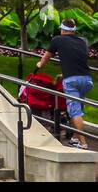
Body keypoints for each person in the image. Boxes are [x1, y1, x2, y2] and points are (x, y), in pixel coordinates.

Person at [37, 18, 93, 150]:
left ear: (62, 29)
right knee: (78, 109)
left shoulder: (57, 39)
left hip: (72, 81)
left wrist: (40, 64)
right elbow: (77, 58)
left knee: (74, 112)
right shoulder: (82, 41)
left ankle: (83, 143)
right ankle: (74, 137)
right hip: (87, 80)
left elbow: (46, 57)